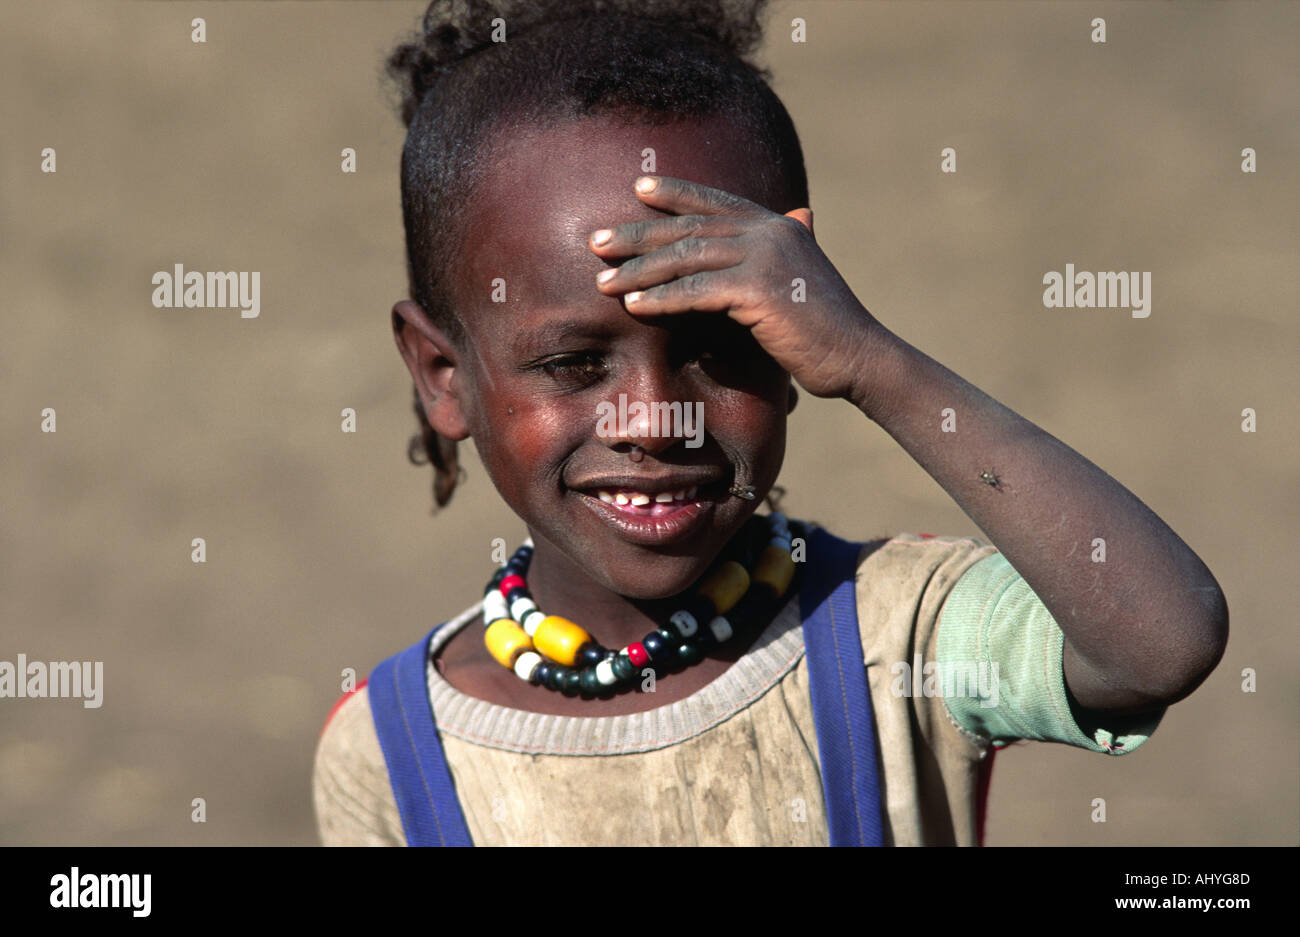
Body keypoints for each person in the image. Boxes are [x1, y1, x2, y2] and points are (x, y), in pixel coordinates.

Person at [312, 0, 1228, 846]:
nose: (655, 419)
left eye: (726, 347)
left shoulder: (889, 637)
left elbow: (1162, 640)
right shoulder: (392, 751)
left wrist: (870, 360)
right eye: (572, 365)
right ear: (443, 374)